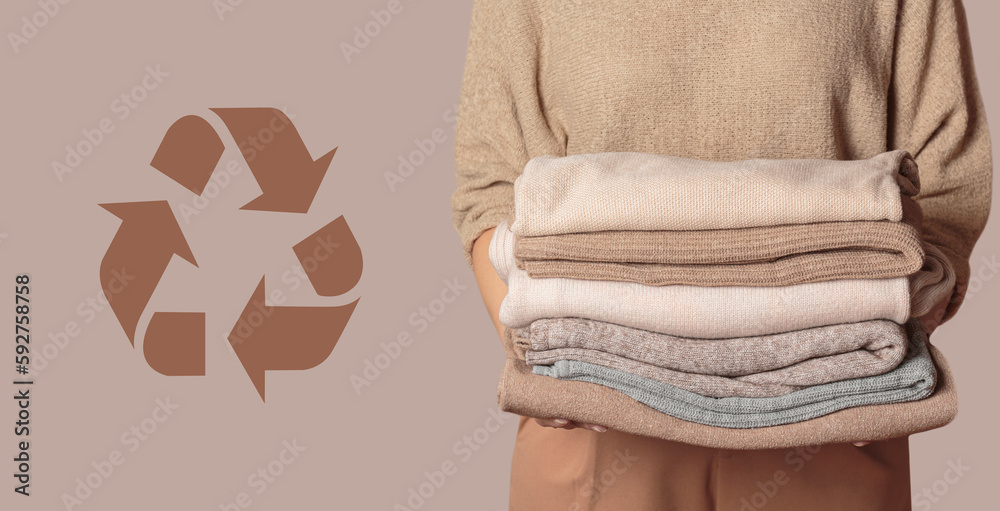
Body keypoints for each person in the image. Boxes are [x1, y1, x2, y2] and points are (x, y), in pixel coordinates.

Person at [450, 0, 993, 509]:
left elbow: (949, 176)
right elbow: (492, 182)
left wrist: (876, 353)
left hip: (838, 418)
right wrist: (542, 354)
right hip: (594, 428)